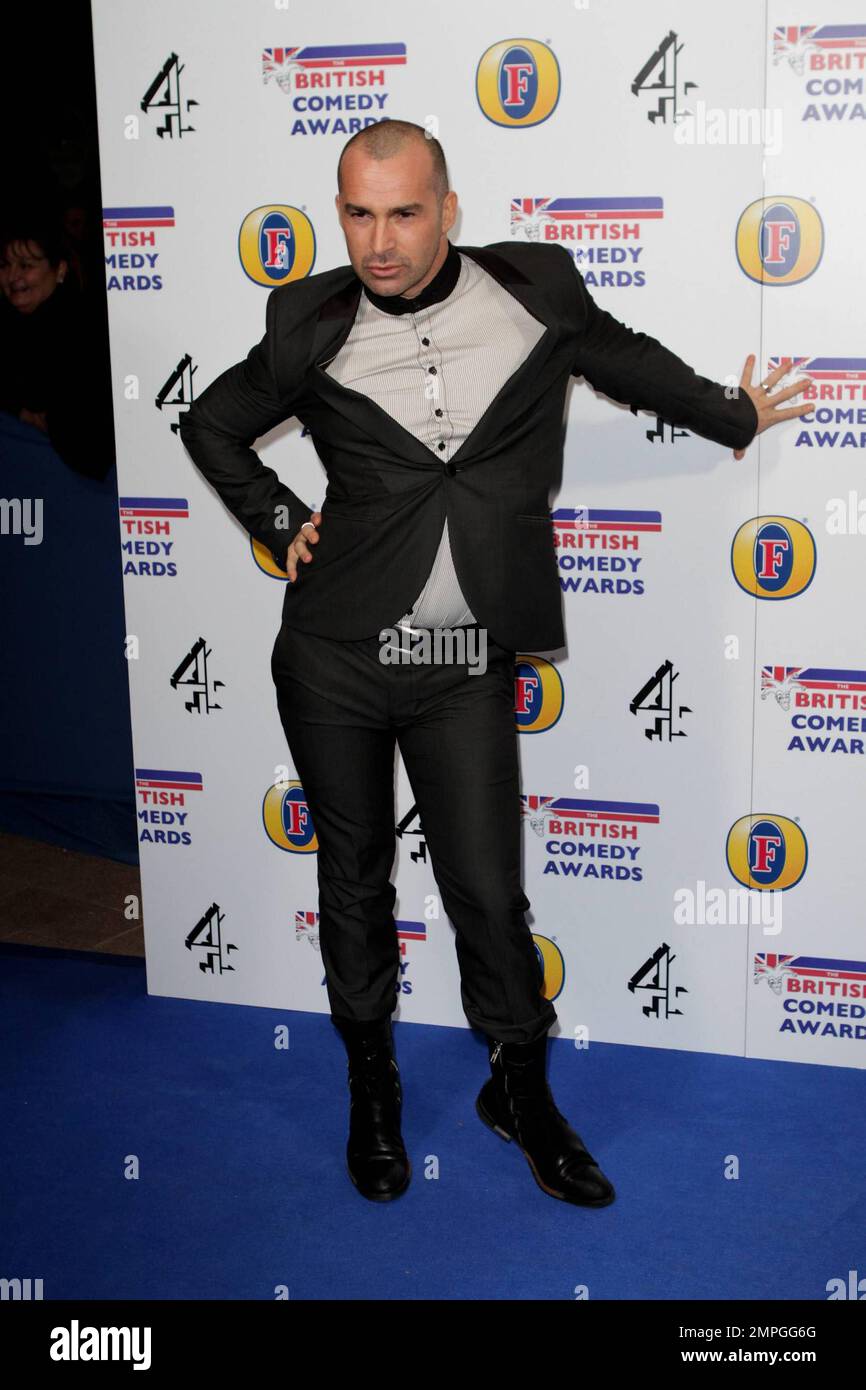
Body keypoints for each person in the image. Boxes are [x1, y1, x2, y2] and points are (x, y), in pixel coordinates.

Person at [179, 121, 812, 1209]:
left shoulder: (536, 290)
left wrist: (730, 414)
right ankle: (371, 1089)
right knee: (355, 876)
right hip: (333, 655)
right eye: (357, 213)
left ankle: (519, 1090)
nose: (378, 242)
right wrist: (277, 515)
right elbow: (213, 424)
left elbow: (625, 361)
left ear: (448, 210)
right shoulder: (307, 319)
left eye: (403, 213)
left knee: (485, 887)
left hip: (461, 655)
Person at [0, 215, 114, 480]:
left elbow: (41, 394)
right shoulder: (11, 325)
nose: (13, 276)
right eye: (4, 265)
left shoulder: (81, 324)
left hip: (85, 482)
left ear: (60, 270)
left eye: (26, 265)